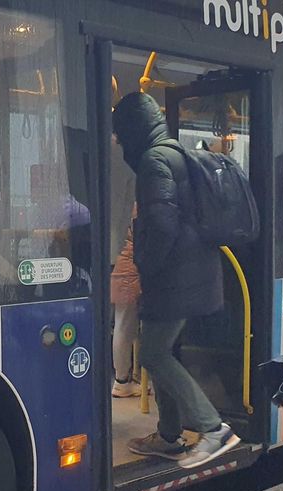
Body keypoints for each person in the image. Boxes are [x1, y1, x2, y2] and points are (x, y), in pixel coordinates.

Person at [111, 91, 239, 469]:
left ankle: (213, 429)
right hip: (190, 273)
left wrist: (144, 264)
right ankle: (170, 435)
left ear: (133, 129)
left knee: (152, 352)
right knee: (163, 349)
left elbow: (162, 223)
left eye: (120, 132)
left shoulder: (154, 162)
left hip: (174, 277)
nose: (118, 141)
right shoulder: (174, 153)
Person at [111, 204, 141, 398]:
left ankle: (127, 377)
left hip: (119, 267)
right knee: (125, 326)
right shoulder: (136, 208)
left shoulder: (119, 207)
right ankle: (122, 380)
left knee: (123, 324)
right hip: (129, 269)